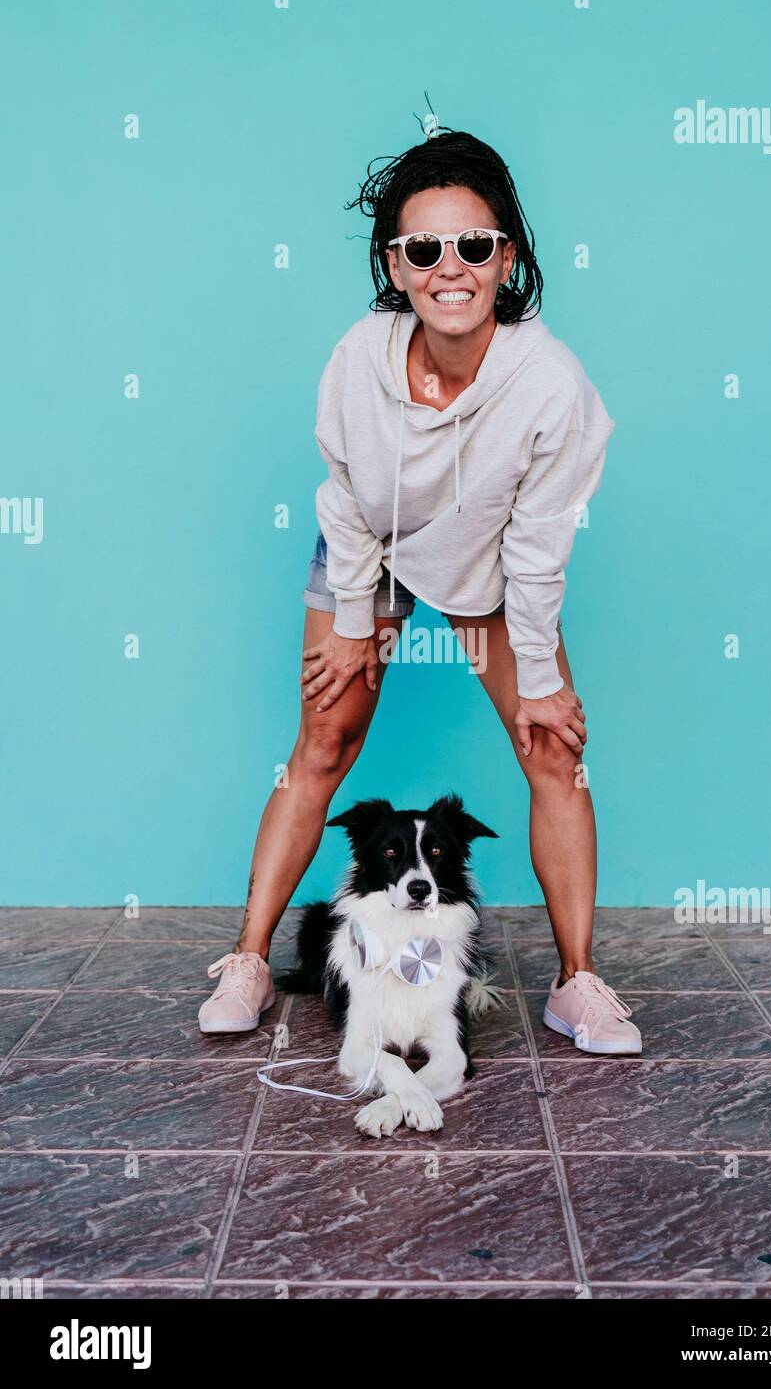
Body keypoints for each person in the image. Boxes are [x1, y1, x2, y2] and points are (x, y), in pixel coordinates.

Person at [198, 126, 641, 1057]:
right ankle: (246, 959)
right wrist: (357, 622)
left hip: (491, 564)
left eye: (474, 246)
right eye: (424, 248)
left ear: (506, 260)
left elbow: (537, 546)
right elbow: (348, 497)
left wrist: (538, 673)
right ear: (394, 265)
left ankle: (578, 985)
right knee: (324, 737)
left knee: (554, 747)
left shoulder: (552, 386)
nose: (451, 268)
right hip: (375, 546)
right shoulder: (359, 358)